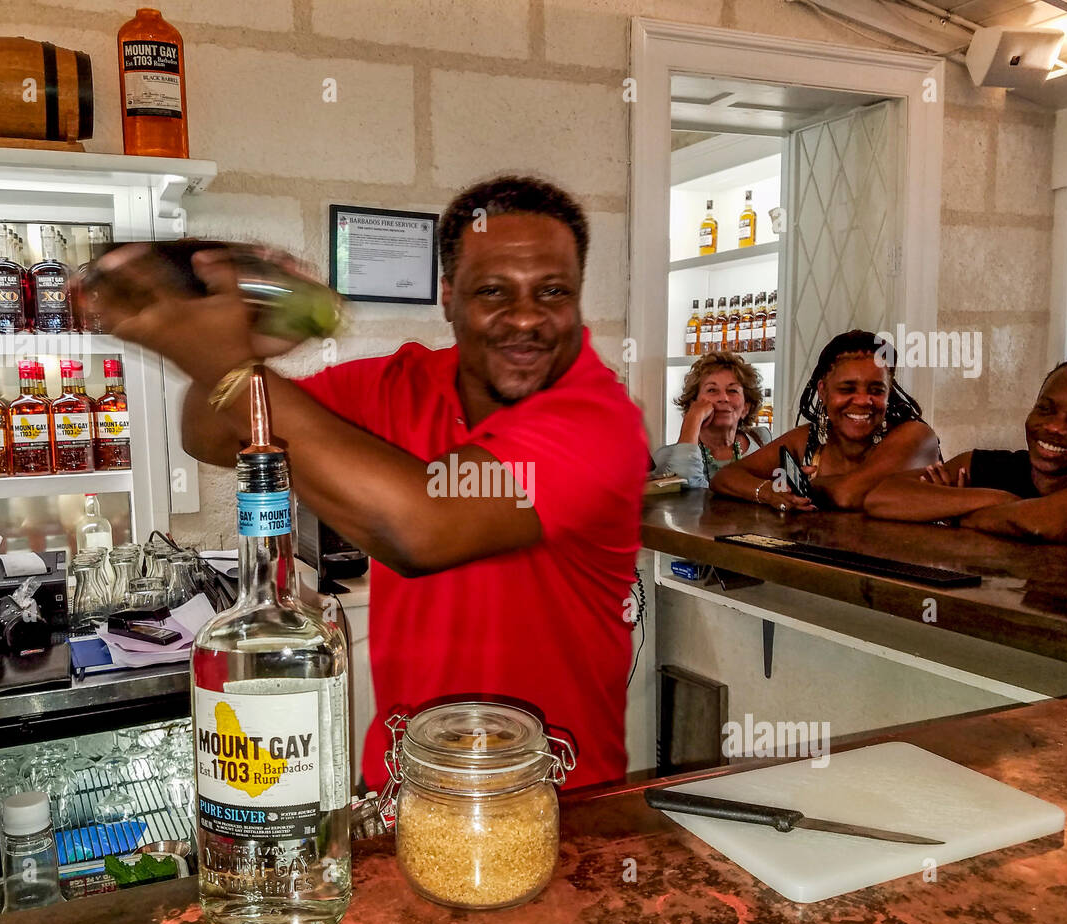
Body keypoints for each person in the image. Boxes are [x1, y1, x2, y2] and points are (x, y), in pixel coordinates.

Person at [91, 175, 651, 790]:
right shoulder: (398, 383)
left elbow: (419, 530)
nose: (526, 318)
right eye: (493, 290)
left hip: (555, 795)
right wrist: (243, 348)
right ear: (448, 296)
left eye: (552, 291)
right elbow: (215, 438)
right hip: (403, 783)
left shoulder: (597, 421)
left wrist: (229, 363)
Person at [864, 345, 1067, 543]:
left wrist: (954, 514)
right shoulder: (988, 466)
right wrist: (998, 498)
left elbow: (1039, 524)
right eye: (1046, 409)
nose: (1054, 427)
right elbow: (882, 498)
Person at [709, 329, 939, 511]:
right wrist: (769, 491)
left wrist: (800, 486)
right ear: (823, 391)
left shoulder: (915, 436)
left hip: (901, 565)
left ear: (889, 395)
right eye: (847, 389)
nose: (862, 400)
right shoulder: (808, 440)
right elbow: (725, 477)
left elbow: (848, 495)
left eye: (877, 390)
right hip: (822, 564)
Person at [652, 351, 769, 488]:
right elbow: (687, 490)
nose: (724, 398)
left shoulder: (762, 440)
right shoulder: (666, 457)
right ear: (693, 404)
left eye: (732, 391)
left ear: (745, 408)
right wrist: (693, 419)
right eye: (712, 390)